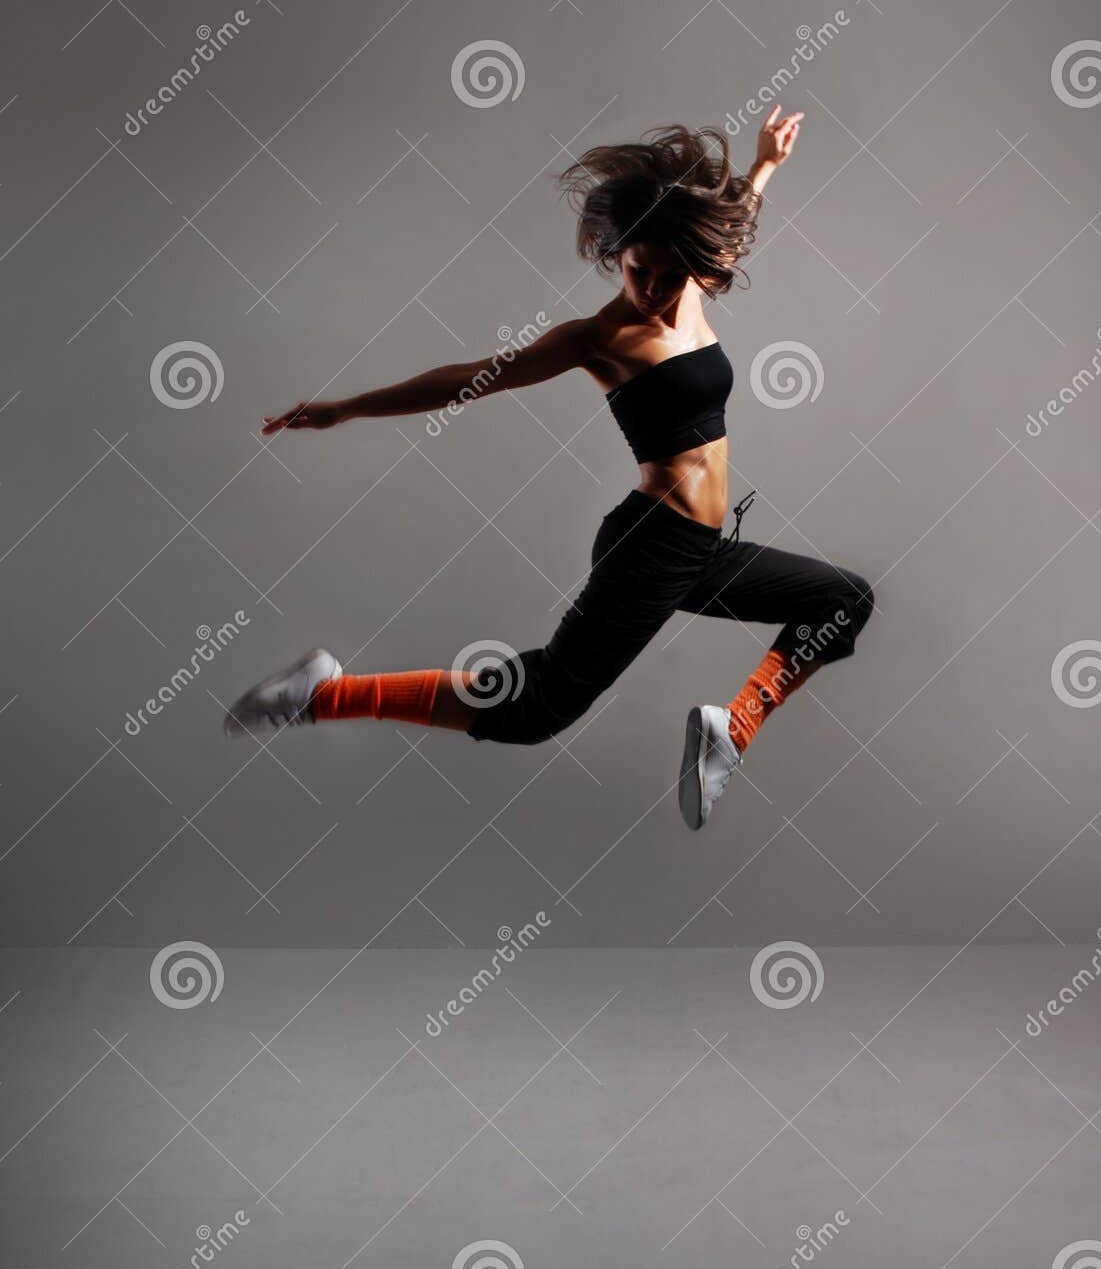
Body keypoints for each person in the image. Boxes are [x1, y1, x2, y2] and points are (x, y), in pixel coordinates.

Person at [224, 109, 873, 829]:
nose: (652, 291)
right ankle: (321, 695)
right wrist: (345, 409)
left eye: (667, 275)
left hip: (698, 551)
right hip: (650, 547)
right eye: (637, 273)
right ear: (615, 257)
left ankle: (733, 728)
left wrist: (765, 165)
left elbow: (731, 220)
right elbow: (472, 377)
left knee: (840, 600)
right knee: (534, 710)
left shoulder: (692, 281)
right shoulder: (598, 337)